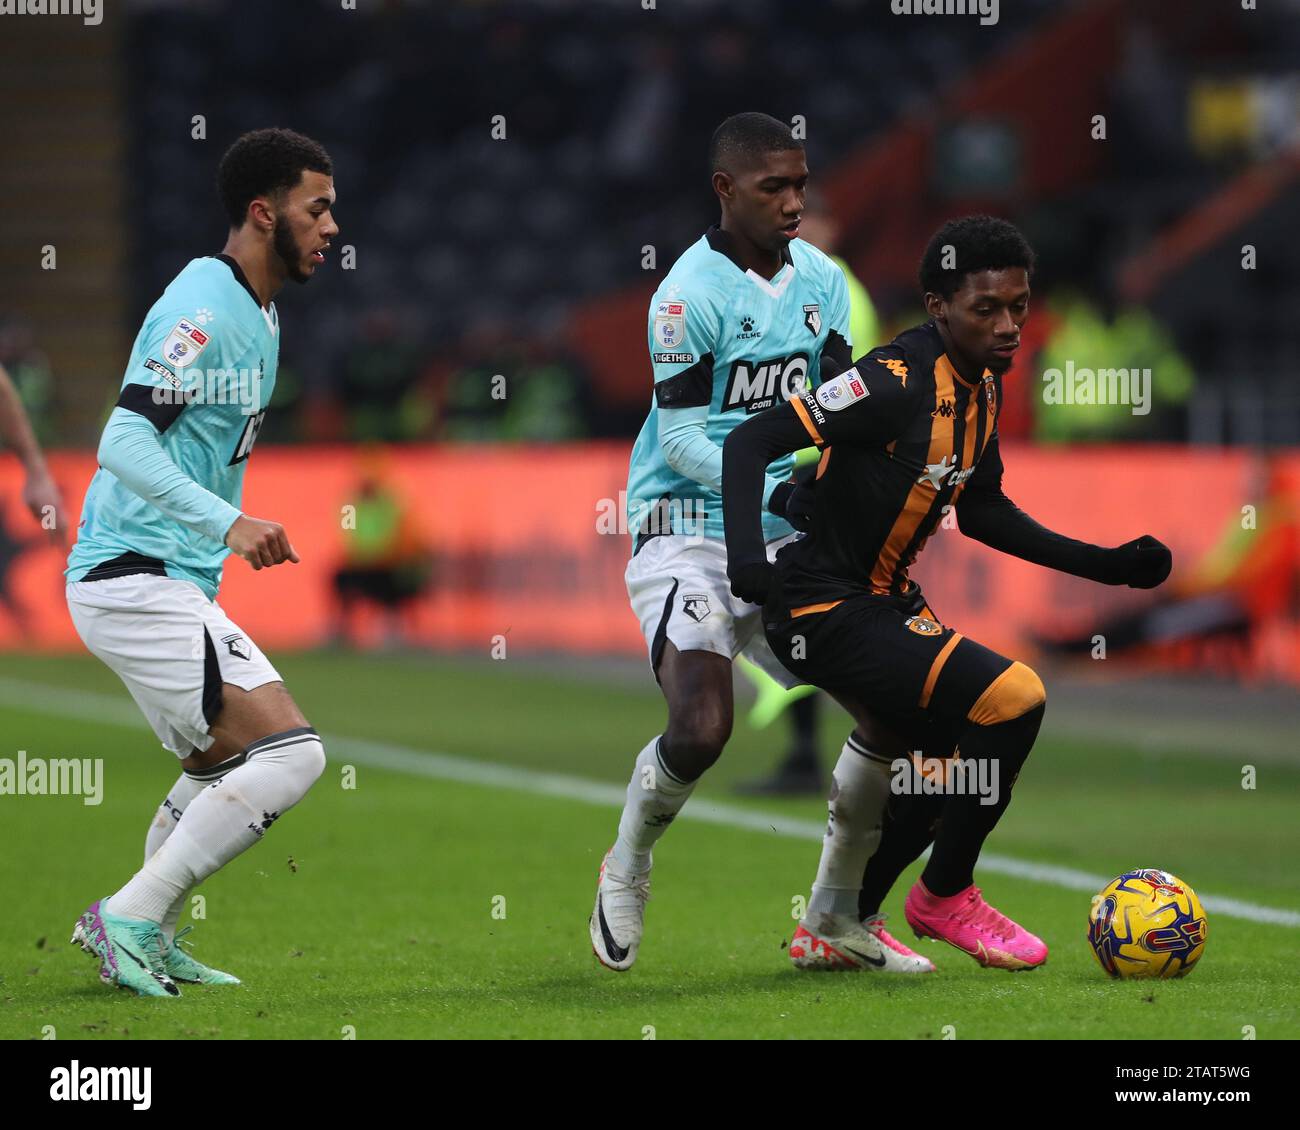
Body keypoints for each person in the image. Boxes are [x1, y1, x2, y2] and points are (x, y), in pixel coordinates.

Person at [722, 215, 1172, 971]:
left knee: (952, 767)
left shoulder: (983, 387)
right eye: (986, 308)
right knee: (1013, 697)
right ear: (938, 305)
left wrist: (1108, 565)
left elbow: (984, 509)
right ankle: (943, 896)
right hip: (820, 604)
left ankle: (841, 921)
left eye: (1019, 307)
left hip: (883, 601)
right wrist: (746, 563)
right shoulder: (893, 380)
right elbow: (750, 441)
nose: (1008, 326)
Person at [590, 112, 931, 974]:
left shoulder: (819, 278)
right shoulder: (686, 297)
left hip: (787, 530)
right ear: (725, 189)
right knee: (702, 730)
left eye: (801, 185)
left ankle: (834, 918)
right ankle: (627, 863)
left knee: (895, 710)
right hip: (689, 528)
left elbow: (844, 400)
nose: (793, 201)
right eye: (773, 187)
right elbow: (681, 443)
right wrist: (777, 485)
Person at [63, 128, 339, 997]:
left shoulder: (259, 310)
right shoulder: (207, 307)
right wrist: (227, 522)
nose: (334, 227)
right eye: (317, 208)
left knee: (218, 766)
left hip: (159, 578)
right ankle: (129, 916)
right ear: (265, 213)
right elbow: (122, 438)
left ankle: (150, 936)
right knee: (294, 756)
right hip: (132, 573)